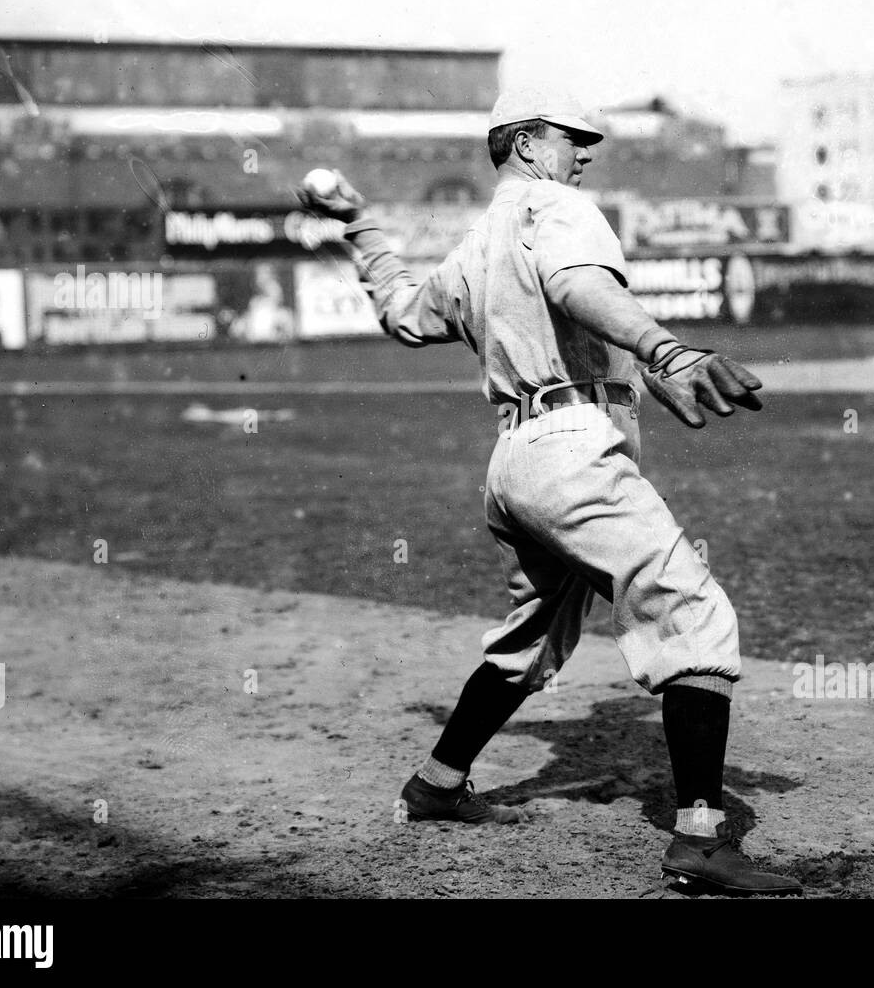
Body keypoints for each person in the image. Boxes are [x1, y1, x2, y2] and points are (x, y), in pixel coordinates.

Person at [299, 88, 803, 896]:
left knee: (528, 642)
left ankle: (435, 783)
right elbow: (576, 288)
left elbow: (401, 313)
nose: (585, 152)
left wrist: (357, 222)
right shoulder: (555, 203)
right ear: (529, 144)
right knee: (690, 612)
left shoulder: (476, 244)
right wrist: (665, 351)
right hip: (573, 451)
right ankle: (702, 841)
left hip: (516, 459)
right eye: (574, 138)